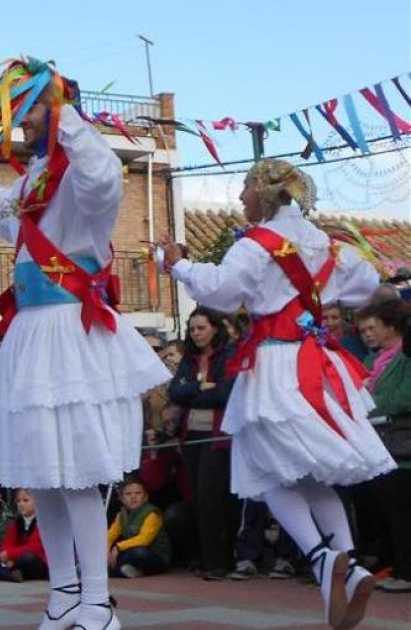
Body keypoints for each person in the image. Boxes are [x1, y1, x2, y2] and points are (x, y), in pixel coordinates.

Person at [0, 60, 170, 629]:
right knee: (43, 476)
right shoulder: (34, 180)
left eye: (28, 108)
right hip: (33, 334)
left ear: (56, 107)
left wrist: (67, 116)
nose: (19, 122)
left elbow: (105, 176)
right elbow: (4, 220)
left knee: (79, 476)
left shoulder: (85, 176)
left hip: (70, 331)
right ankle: (62, 596)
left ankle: (99, 602)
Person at [162, 158, 393, 629]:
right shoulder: (328, 242)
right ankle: (346, 565)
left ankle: (321, 557)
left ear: (264, 192)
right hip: (317, 363)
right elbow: (367, 283)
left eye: (245, 189)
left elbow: (223, 294)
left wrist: (180, 264)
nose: (241, 198)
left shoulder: (257, 244)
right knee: (310, 475)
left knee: (267, 474)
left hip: (274, 365)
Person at [168, 306, 238, 580]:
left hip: (219, 435)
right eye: (193, 329)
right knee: (197, 496)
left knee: (212, 496)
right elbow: (175, 391)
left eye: (202, 328)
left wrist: (192, 392)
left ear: (215, 328)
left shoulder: (229, 355)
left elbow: (224, 393)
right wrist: (199, 388)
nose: (196, 334)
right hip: (191, 435)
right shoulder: (188, 359)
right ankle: (205, 556)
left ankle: (219, 560)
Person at [355, 298, 411, 593]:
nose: (367, 335)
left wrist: (365, 404)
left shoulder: (405, 358)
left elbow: (401, 398)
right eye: (363, 330)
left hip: (401, 447)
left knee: (402, 514)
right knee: (384, 513)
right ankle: (389, 563)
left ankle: (406, 571)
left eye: (372, 328)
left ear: (391, 327)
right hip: (377, 447)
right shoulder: (370, 360)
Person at [107, 477, 171, 578]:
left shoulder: (152, 514)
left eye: (138, 493)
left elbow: (144, 539)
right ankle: (125, 570)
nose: (133, 497)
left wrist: (118, 547)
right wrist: (106, 550)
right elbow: (110, 535)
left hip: (154, 556)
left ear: (145, 497)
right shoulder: (121, 515)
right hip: (130, 553)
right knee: (107, 554)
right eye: (128, 494)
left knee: (139, 552)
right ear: (122, 499)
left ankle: (113, 570)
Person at [0, 488, 48, 582]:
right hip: (17, 558)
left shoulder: (43, 521)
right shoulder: (16, 523)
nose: (21, 504)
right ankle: (13, 574)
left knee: (28, 558)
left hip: (39, 561)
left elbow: (36, 547)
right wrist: (6, 556)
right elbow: (8, 543)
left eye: (25, 500)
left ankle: (7, 573)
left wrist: (10, 555)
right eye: (18, 501)